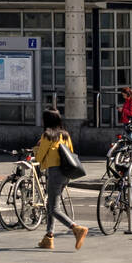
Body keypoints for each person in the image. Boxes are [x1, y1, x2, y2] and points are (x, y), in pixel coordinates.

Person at [31, 108, 88, 251]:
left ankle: (76, 228)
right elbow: (71, 153)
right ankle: (48, 238)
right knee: (52, 205)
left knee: (54, 208)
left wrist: (36, 149)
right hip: (66, 173)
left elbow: (39, 156)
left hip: (55, 172)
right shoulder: (65, 135)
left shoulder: (47, 136)